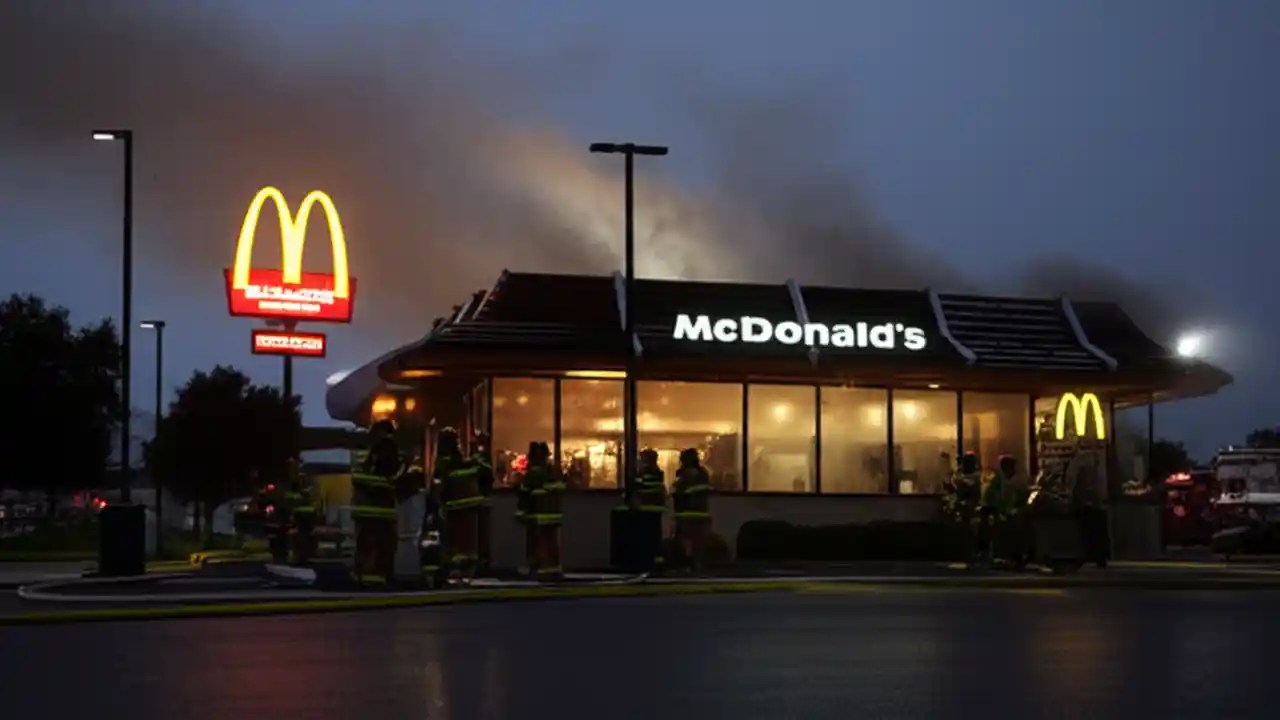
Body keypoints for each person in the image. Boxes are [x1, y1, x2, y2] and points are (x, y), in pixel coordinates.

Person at [351, 420, 402, 587]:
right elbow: (390, 481)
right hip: (379, 511)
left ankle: (366, 577)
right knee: (381, 546)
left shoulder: (367, 455)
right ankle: (378, 578)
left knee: (369, 545)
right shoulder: (385, 451)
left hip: (369, 512)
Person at [435, 427, 483, 584]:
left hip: (454, 508)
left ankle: (456, 572)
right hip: (468, 507)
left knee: (455, 541)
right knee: (467, 541)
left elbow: (440, 485)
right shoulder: (464, 461)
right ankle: (466, 572)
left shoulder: (444, 463)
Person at [519, 441, 563, 580]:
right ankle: (553, 569)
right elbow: (560, 488)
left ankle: (541, 569)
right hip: (553, 514)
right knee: (552, 541)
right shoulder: (553, 472)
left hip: (537, 515)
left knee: (538, 542)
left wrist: (521, 512)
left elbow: (525, 494)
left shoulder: (532, 474)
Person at [672, 448, 712, 571]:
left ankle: (686, 564)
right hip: (701, 514)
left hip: (686, 514)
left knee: (685, 541)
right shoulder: (703, 474)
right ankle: (697, 565)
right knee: (698, 542)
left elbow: (678, 494)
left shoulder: (683, 476)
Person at [633, 448, 667, 571]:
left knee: (645, 536)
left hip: (645, 508)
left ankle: (646, 561)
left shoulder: (644, 472)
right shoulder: (658, 472)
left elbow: (638, 486)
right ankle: (656, 560)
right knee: (655, 535)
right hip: (656, 509)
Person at [471, 432, 496, 574]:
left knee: (483, 533)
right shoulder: (476, 458)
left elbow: (487, 474)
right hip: (474, 503)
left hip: (482, 502)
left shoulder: (484, 459)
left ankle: (484, 560)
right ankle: (480, 559)